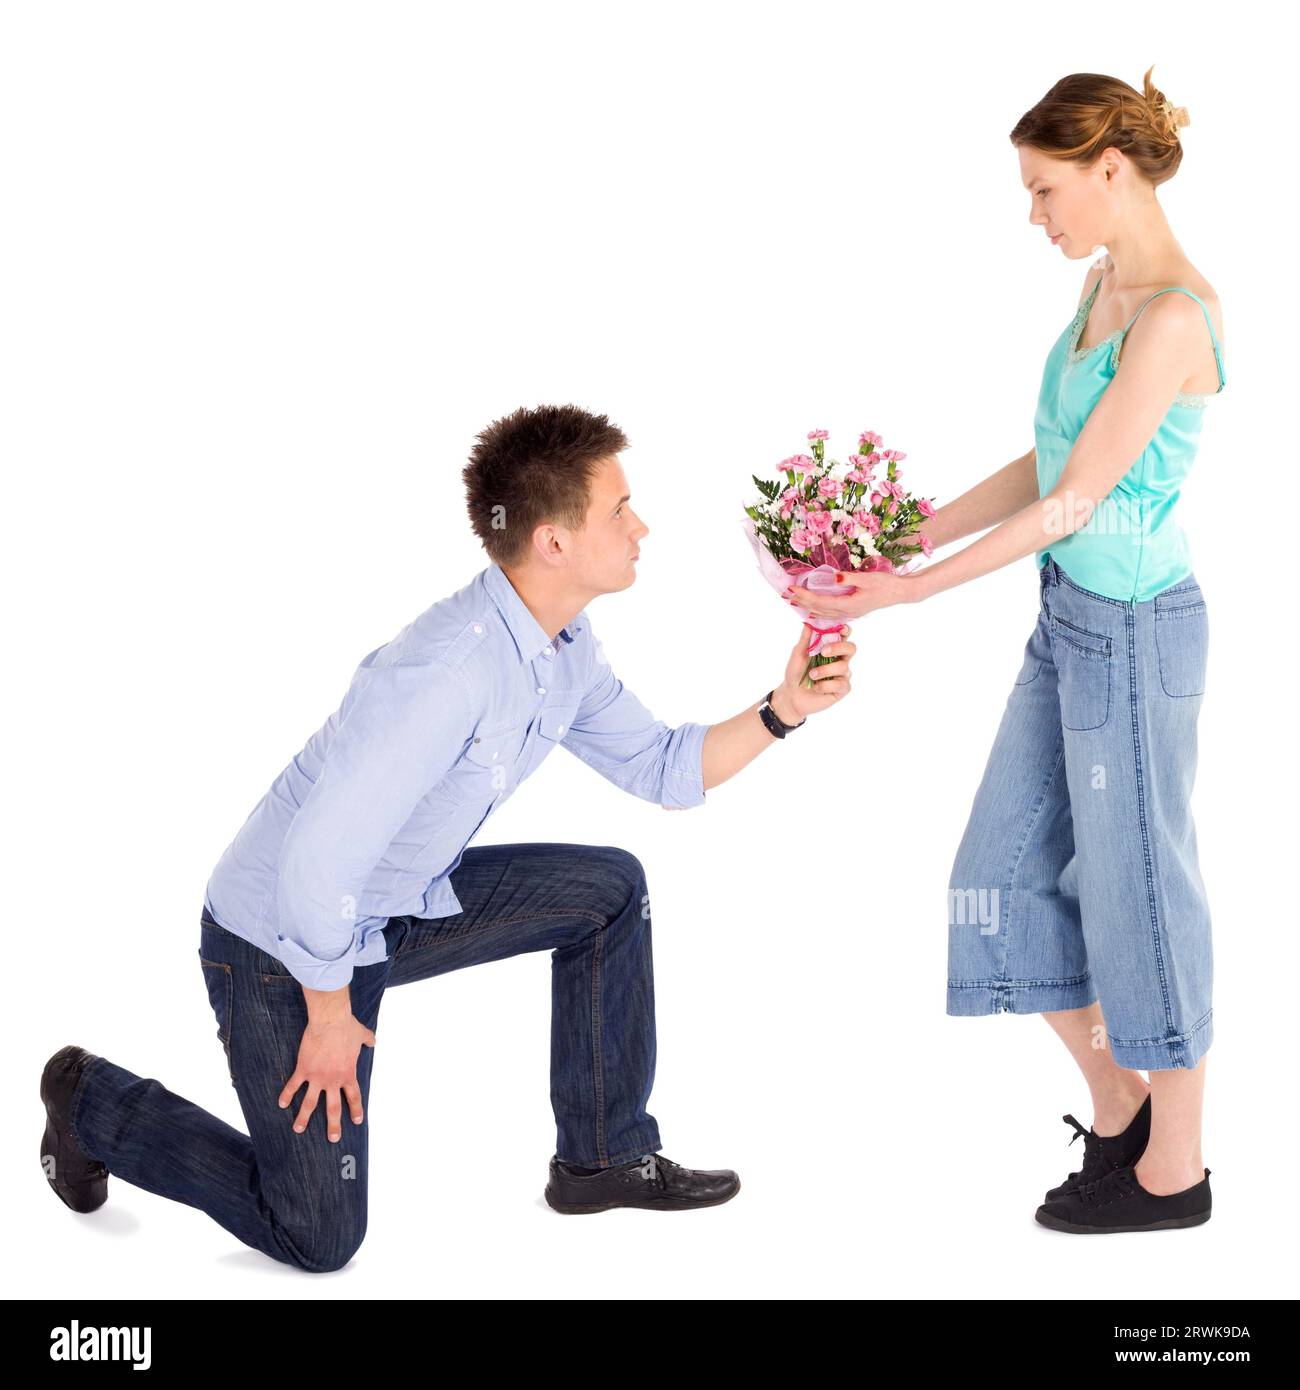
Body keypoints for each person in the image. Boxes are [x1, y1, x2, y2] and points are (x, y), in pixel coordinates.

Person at [39, 403, 856, 1271]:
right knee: (316, 1235)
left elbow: (662, 766)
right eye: (620, 509)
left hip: (394, 904)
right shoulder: (448, 673)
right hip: (282, 942)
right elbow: (316, 866)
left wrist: (785, 709)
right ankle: (90, 1099)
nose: (641, 525)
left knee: (609, 891)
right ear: (551, 542)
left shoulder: (562, 646)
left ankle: (603, 1156)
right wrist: (329, 1009)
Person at [774, 67, 1221, 1233]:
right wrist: (906, 530)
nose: (1036, 214)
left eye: (1044, 189)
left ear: (1109, 170)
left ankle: (1176, 1167)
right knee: (988, 882)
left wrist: (912, 591)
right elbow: (1047, 459)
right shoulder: (1100, 288)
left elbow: (1079, 501)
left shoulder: (1175, 314)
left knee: (1139, 898)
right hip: (1067, 620)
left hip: (1131, 636)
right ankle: (1116, 1097)